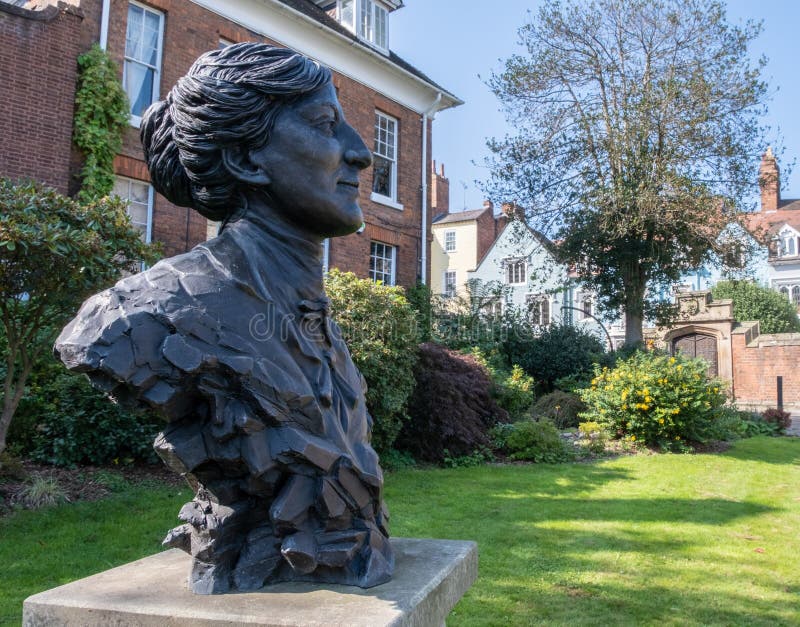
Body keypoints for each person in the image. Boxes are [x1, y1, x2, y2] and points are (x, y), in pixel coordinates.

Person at [55, 43, 393, 594]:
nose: (359, 154)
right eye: (325, 124)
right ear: (244, 158)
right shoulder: (144, 317)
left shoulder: (308, 311)